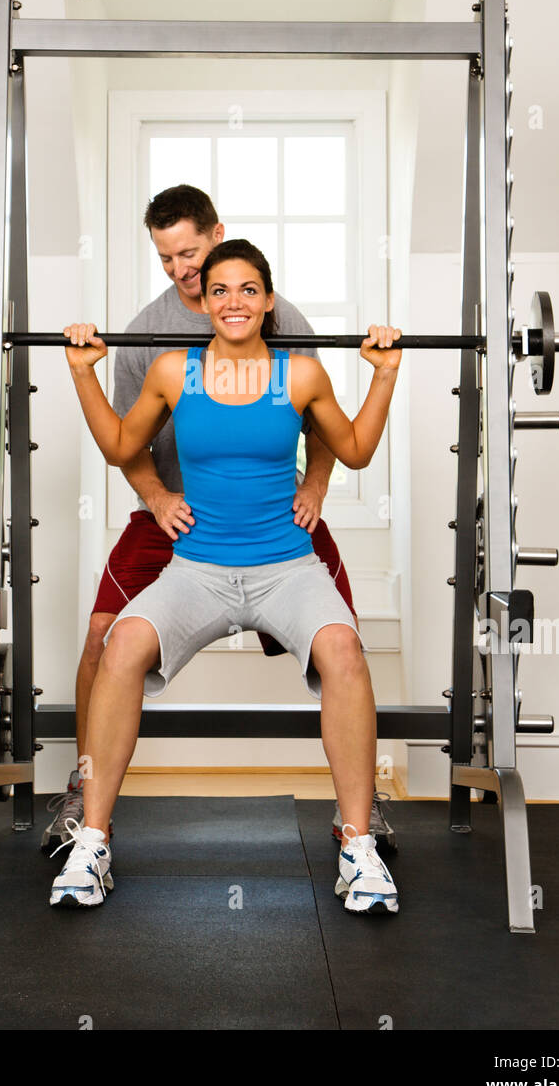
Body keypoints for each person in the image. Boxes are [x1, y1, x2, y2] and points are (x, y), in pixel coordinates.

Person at [51, 238, 402, 915]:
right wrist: (82, 373)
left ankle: (357, 847)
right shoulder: (170, 372)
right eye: (218, 290)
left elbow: (353, 449)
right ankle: (92, 840)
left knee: (344, 651)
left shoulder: (297, 375)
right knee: (120, 644)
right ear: (202, 302)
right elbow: (122, 447)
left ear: (268, 300)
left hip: (284, 567)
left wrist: (383, 375)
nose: (232, 302)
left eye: (247, 289)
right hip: (198, 570)